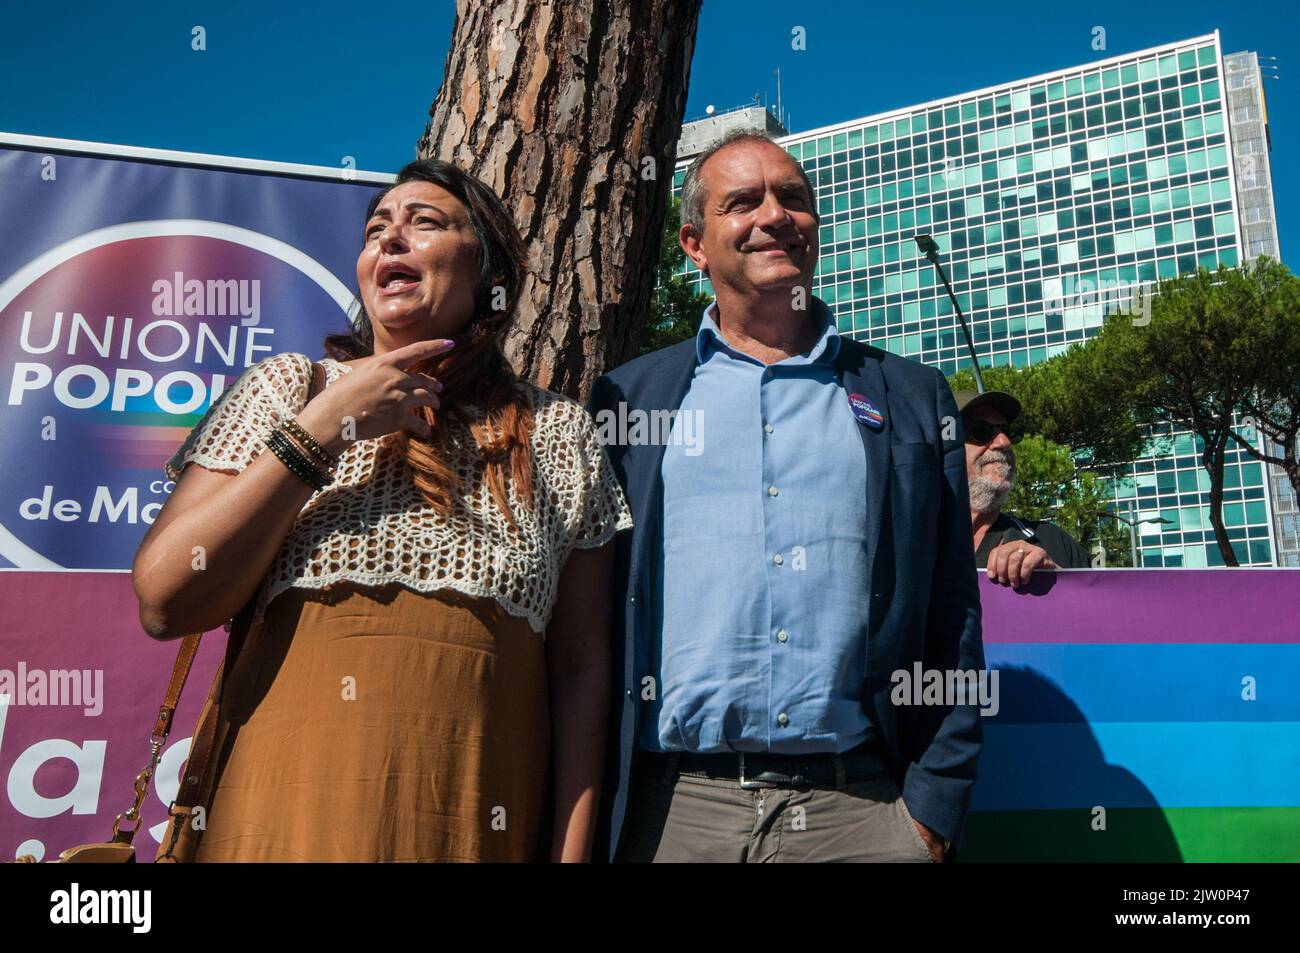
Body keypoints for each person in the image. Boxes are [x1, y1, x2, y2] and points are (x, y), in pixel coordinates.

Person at [132, 159, 631, 862]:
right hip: (274, 822)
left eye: (423, 222)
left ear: (490, 275)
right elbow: (164, 598)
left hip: (474, 827)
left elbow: (581, 669)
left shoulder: (561, 433)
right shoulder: (288, 388)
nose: (390, 240)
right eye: (376, 230)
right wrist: (322, 428)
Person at [589, 131, 984, 863]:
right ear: (694, 243)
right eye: (743, 201)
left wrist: (931, 812)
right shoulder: (626, 398)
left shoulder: (910, 394)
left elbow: (953, 613)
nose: (775, 215)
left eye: (793, 198)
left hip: (860, 809)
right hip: (672, 814)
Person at [956, 389, 1092, 587]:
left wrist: (1058, 582)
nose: (1004, 442)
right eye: (981, 431)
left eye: (1007, 431)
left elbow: (1105, 612)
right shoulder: (909, 547)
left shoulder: (1052, 541)